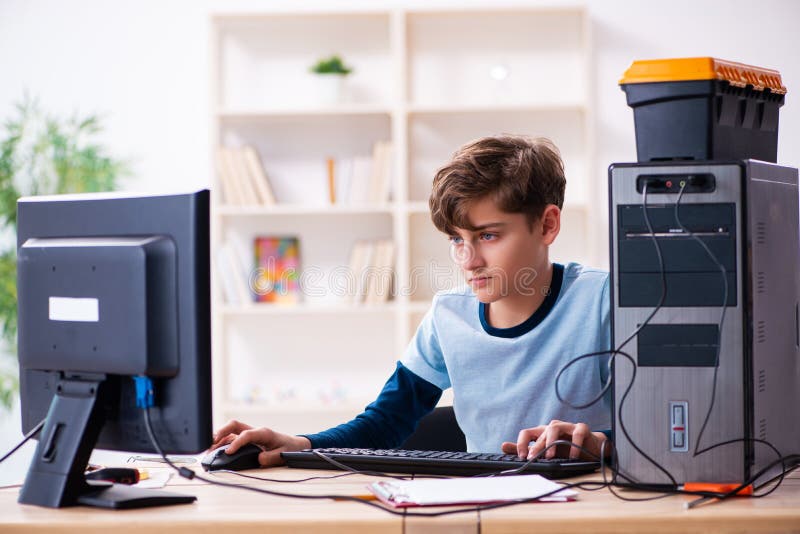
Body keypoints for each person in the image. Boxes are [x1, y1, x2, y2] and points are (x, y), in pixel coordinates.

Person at [210, 135, 612, 466]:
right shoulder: (448, 316)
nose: (468, 261)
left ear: (547, 224)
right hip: (491, 511)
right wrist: (299, 443)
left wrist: (599, 444)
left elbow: (667, 435)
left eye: (488, 235)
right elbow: (385, 422)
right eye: (457, 239)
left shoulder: (604, 302)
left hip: (590, 509)